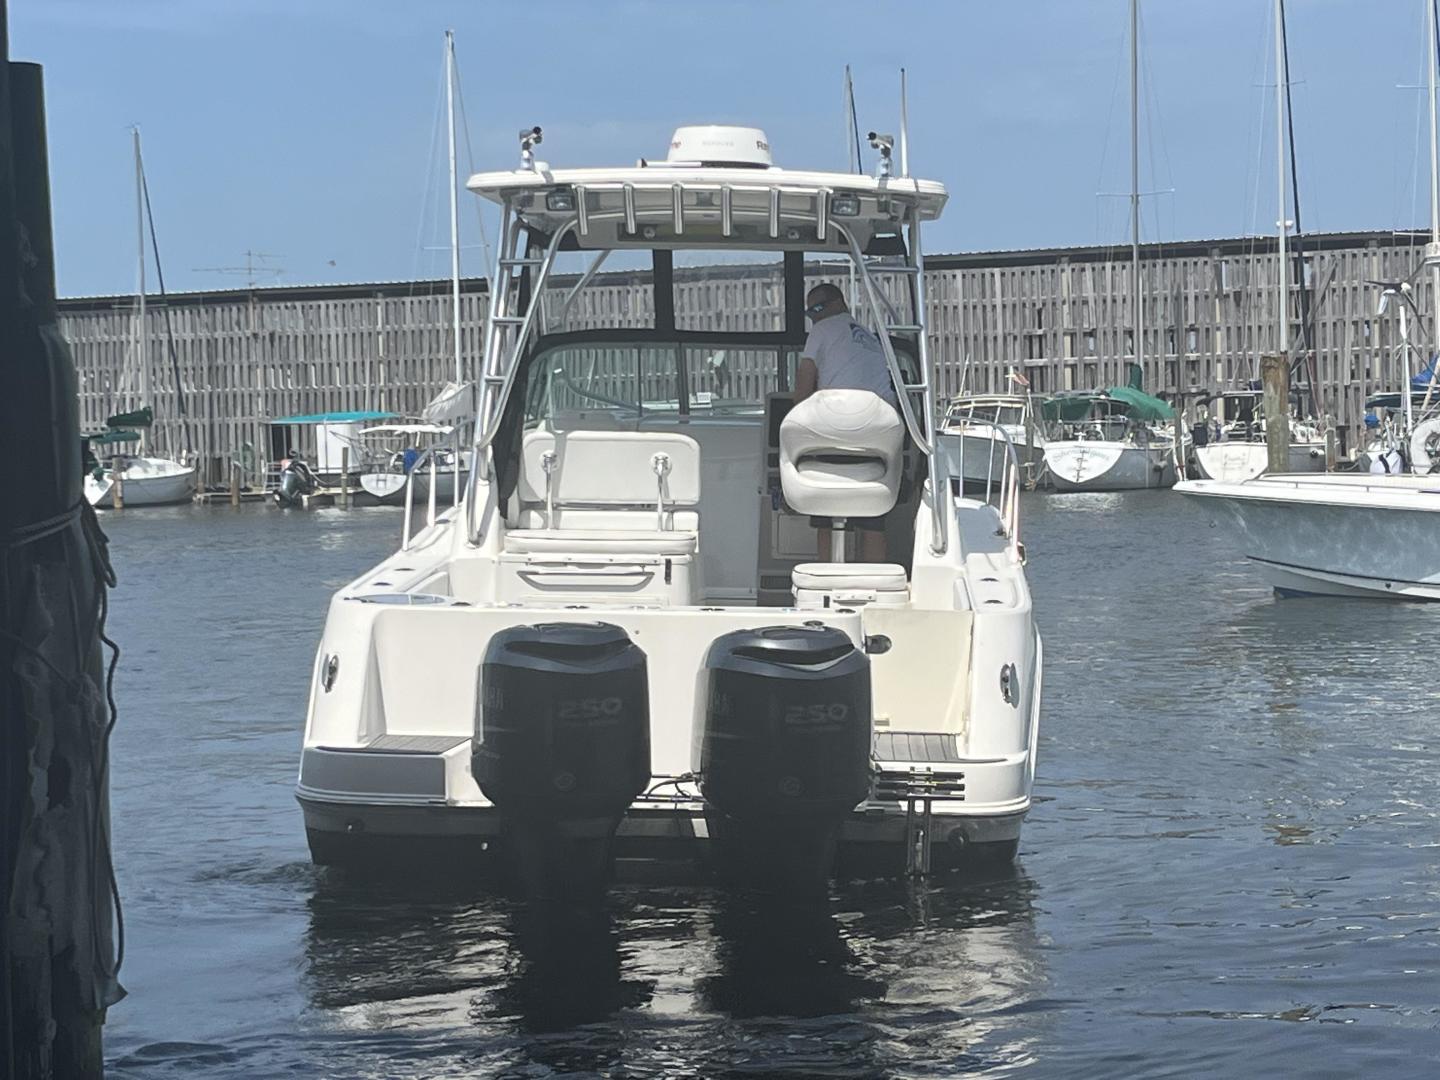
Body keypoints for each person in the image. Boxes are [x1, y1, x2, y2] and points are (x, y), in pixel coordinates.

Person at [794, 283, 900, 562]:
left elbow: (804, 383)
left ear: (837, 304)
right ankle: (874, 583)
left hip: (838, 426)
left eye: (817, 309)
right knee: (873, 516)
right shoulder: (869, 336)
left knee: (825, 505)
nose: (813, 316)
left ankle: (827, 577)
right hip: (881, 435)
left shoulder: (822, 330)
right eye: (810, 312)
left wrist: (792, 423)